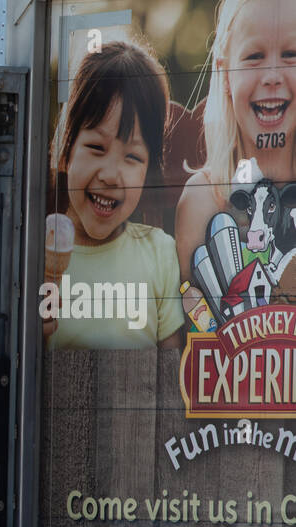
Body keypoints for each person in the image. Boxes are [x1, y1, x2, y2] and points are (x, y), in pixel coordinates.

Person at [44, 38, 185, 351]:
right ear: (65, 151)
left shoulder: (158, 254)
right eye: (96, 148)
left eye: (132, 157)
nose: (110, 175)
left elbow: (171, 372)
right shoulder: (33, 255)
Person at [176, 0, 296, 297]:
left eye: (291, 55)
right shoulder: (202, 201)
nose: (272, 76)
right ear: (225, 74)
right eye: (254, 56)